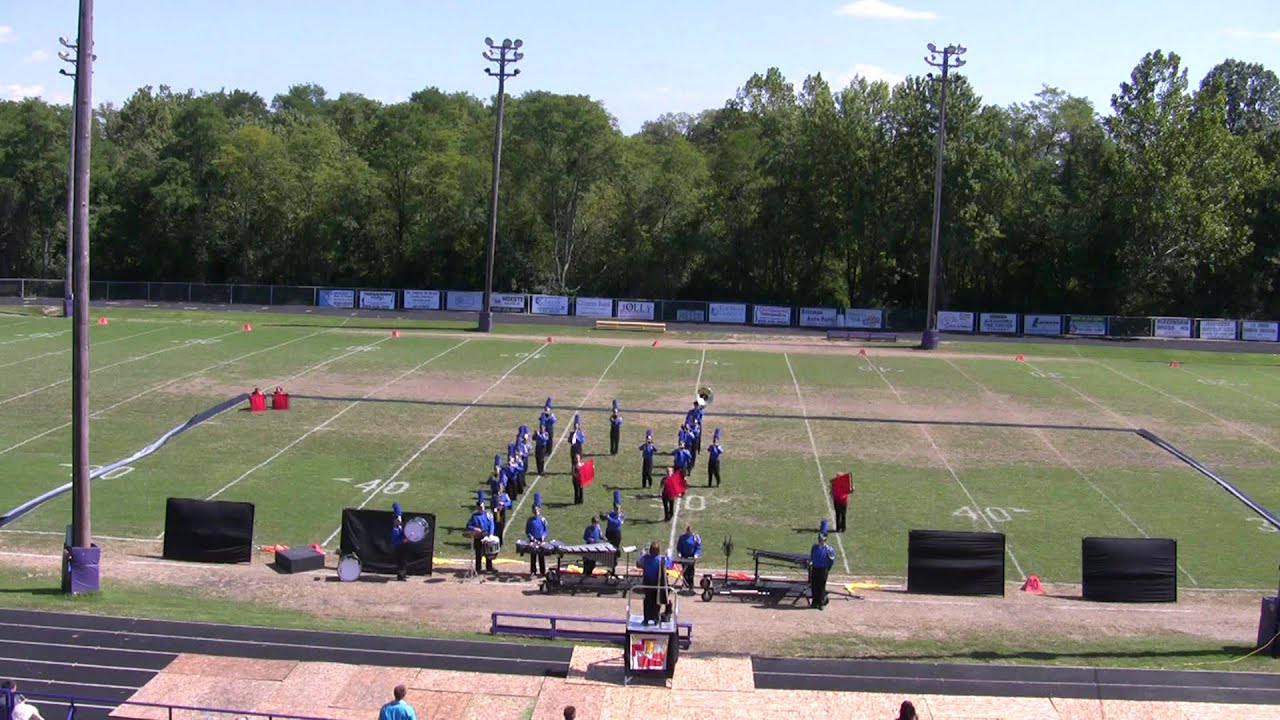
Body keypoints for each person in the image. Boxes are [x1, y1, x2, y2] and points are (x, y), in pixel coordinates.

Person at [636, 541, 668, 625]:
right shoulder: (661, 559)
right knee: (656, 602)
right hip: (656, 584)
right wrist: (668, 555)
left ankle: (646, 619)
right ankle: (656, 619)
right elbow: (669, 564)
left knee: (647, 601)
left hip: (647, 583)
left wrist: (641, 554)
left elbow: (638, 564)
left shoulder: (646, 558)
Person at [809, 526, 836, 610]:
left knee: (821, 586)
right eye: (819, 540)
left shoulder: (829, 550)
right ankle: (814, 602)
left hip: (823, 570)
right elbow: (812, 557)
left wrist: (827, 569)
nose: (820, 541)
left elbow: (831, 561)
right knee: (814, 586)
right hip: (815, 568)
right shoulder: (814, 548)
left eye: (822, 540)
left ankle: (820, 603)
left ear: (825, 540)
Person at [465, 502, 495, 574]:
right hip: (478, 536)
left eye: (482, 507)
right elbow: (468, 526)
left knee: (489, 553)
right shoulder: (474, 516)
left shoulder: (488, 515)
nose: (481, 509)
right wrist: (475, 529)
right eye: (480, 508)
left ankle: (489, 568)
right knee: (478, 554)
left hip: (487, 536)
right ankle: (478, 569)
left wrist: (491, 534)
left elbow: (491, 524)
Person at [676, 525, 702, 590]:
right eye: (688, 531)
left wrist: (696, 555)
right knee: (684, 570)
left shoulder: (696, 537)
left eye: (690, 532)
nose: (689, 533)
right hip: (684, 556)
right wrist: (679, 553)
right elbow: (679, 546)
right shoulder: (682, 537)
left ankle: (691, 584)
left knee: (691, 571)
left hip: (691, 557)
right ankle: (685, 583)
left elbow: (698, 547)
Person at [525, 504, 549, 576]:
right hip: (533, 540)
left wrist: (543, 536)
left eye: (537, 511)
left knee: (541, 556)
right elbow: (527, 531)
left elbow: (546, 530)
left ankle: (542, 571)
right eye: (535, 511)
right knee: (533, 556)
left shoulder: (542, 519)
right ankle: (533, 570)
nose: (536, 512)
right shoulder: (530, 520)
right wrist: (531, 537)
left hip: (540, 540)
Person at [390, 504, 409, 582]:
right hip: (399, 547)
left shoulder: (400, 527)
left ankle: (403, 574)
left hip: (402, 546)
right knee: (401, 562)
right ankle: (401, 576)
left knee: (404, 561)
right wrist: (403, 541)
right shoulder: (395, 530)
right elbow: (395, 540)